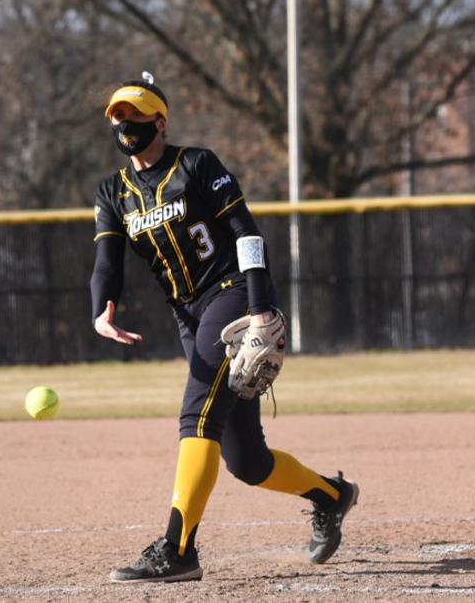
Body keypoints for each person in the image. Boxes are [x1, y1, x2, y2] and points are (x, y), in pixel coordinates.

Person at [90, 72, 358, 583]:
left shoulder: (197, 164)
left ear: (160, 122)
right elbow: (107, 262)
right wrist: (103, 307)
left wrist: (260, 306)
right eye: (119, 116)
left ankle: (179, 549)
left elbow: (246, 232)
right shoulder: (113, 192)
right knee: (247, 461)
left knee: (197, 415)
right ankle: (332, 495)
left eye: (136, 114)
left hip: (233, 293)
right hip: (188, 314)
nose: (126, 124)